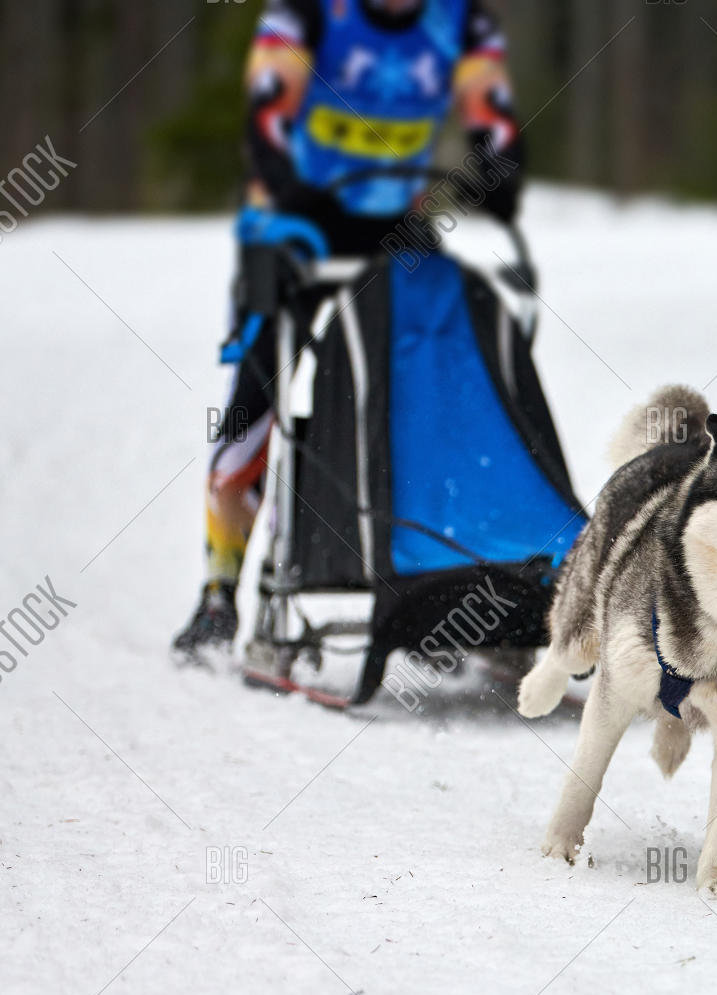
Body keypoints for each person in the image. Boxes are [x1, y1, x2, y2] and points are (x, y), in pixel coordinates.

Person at [174, 0, 523, 659]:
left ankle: (439, 579)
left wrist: (497, 168)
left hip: (394, 224)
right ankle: (220, 592)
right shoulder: (306, 11)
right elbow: (266, 113)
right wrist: (285, 187)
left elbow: (492, 112)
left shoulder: (459, 18)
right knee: (255, 396)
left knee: (435, 386)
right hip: (292, 220)